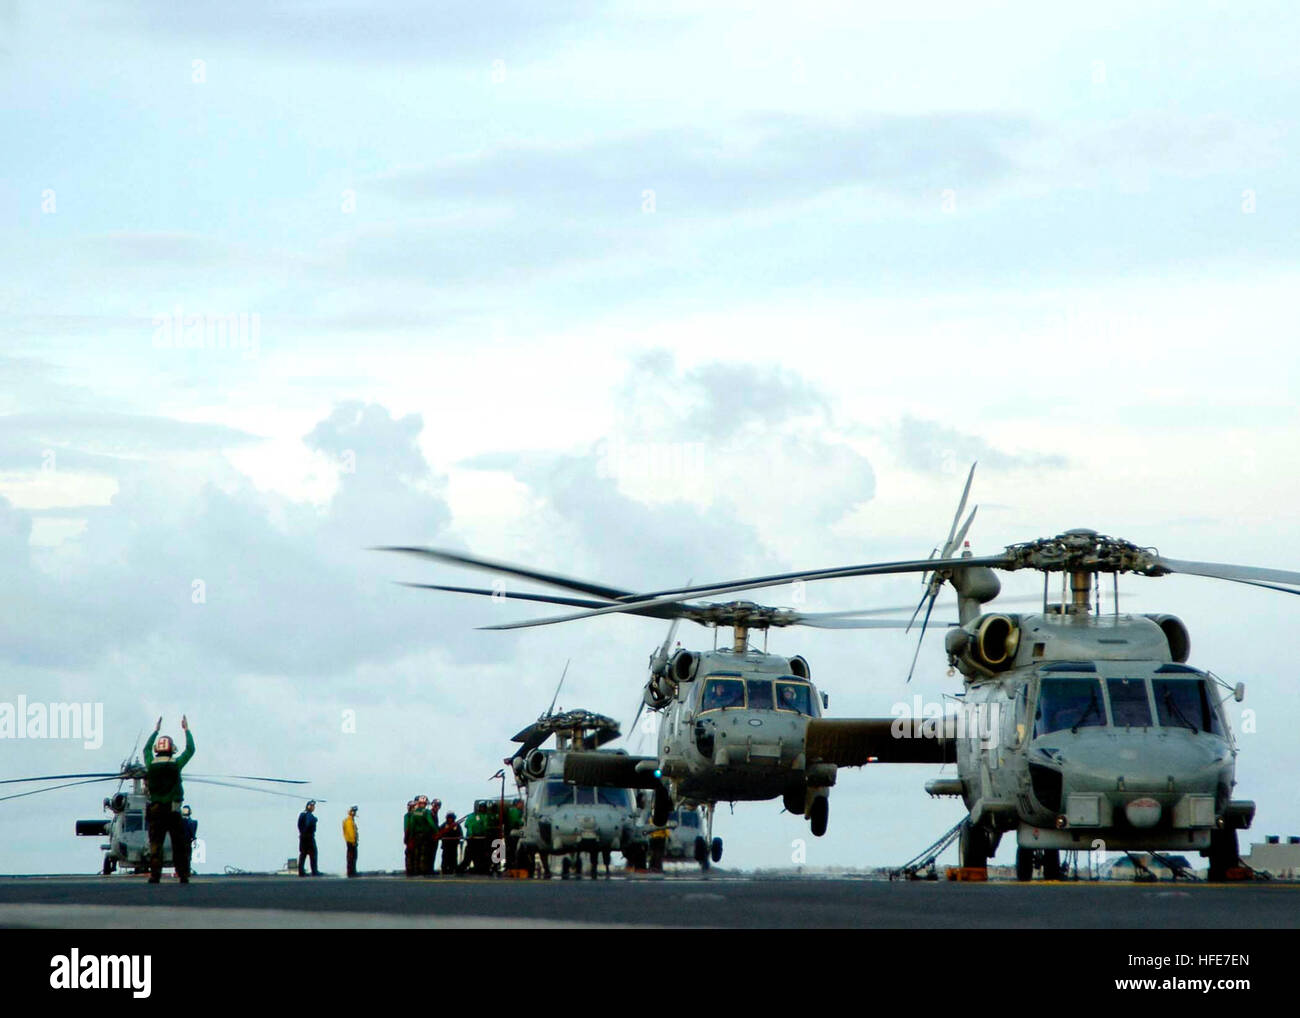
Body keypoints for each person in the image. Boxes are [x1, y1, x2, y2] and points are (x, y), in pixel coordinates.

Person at [144, 715, 196, 884]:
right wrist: (186, 729)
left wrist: (155, 731)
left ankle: (154, 875)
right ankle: (183, 875)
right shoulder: (176, 764)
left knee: (155, 846)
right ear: (172, 749)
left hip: (156, 811)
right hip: (173, 811)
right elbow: (190, 750)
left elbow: (145, 750)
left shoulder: (151, 764)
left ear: (157, 749)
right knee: (179, 845)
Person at [298, 800, 320, 876]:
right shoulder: (307, 815)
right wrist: (315, 820)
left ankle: (302, 871)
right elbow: (307, 823)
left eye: (313, 806)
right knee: (311, 854)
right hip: (308, 837)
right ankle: (313, 871)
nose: (313, 807)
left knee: (304, 854)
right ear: (308, 806)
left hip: (304, 836)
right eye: (312, 806)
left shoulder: (303, 814)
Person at [343, 806, 359, 878]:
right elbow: (351, 832)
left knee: (352, 857)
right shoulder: (349, 821)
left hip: (351, 841)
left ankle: (352, 871)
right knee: (351, 857)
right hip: (351, 842)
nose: (354, 813)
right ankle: (351, 872)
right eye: (353, 811)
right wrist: (353, 841)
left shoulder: (350, 820)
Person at [403, 800, 416, 876]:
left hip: (411, 838)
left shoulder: (408, 816)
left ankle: (410, 870)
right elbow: (407, 828)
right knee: (411, 854)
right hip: (411, 838)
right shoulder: (408, 816)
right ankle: (410, 870)